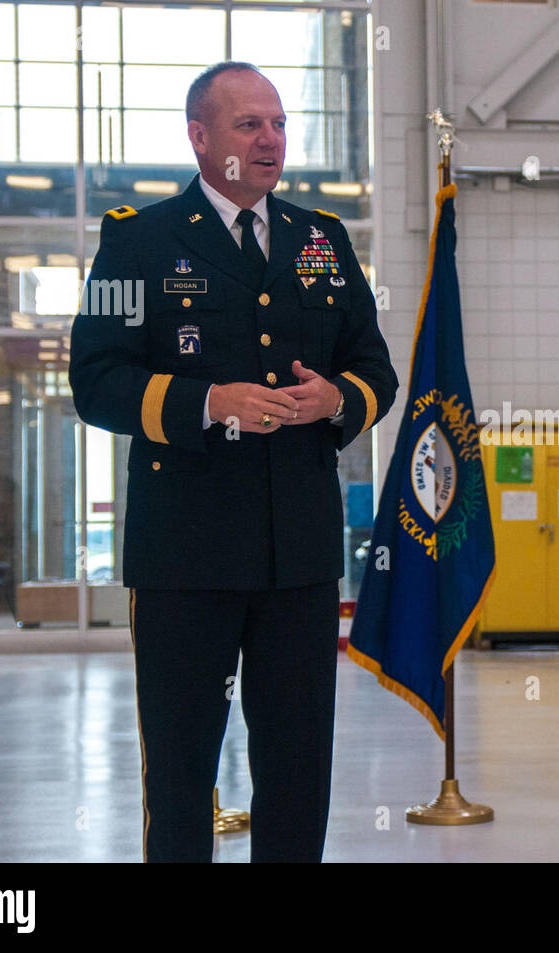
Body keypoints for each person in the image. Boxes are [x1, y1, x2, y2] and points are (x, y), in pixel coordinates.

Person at [69, 61, 397, 862]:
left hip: (299, 558)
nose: (270, 139)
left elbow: (376, 370)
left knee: (297, 766)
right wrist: (209, 403)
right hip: (186, 557)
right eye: (249, 124)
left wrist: (339, 400)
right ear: (200, 137)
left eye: (279, 124)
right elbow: (96, 381)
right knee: (182, 769)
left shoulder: (322, 241)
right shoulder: (135, 243)